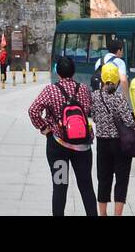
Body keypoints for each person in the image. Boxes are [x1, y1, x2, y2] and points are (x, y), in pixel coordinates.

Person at [27, 55, 95, 216]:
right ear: (73, 71)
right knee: (86, 186)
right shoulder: (84, 89)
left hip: (58, 146)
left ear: (58, 72)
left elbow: (33, 111)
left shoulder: (51, 90)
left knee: (60, 186)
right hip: (82, 147)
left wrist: (45, 128)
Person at [90, 62, 135, 216]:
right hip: (120, 144)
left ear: (102, 78)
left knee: (103, 179)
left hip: (102, 143)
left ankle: (102, 214)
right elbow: (129, 121)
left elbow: (95, 118)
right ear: (117, 79)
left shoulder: (95, 96)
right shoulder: (119, 97)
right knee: (121, 180)